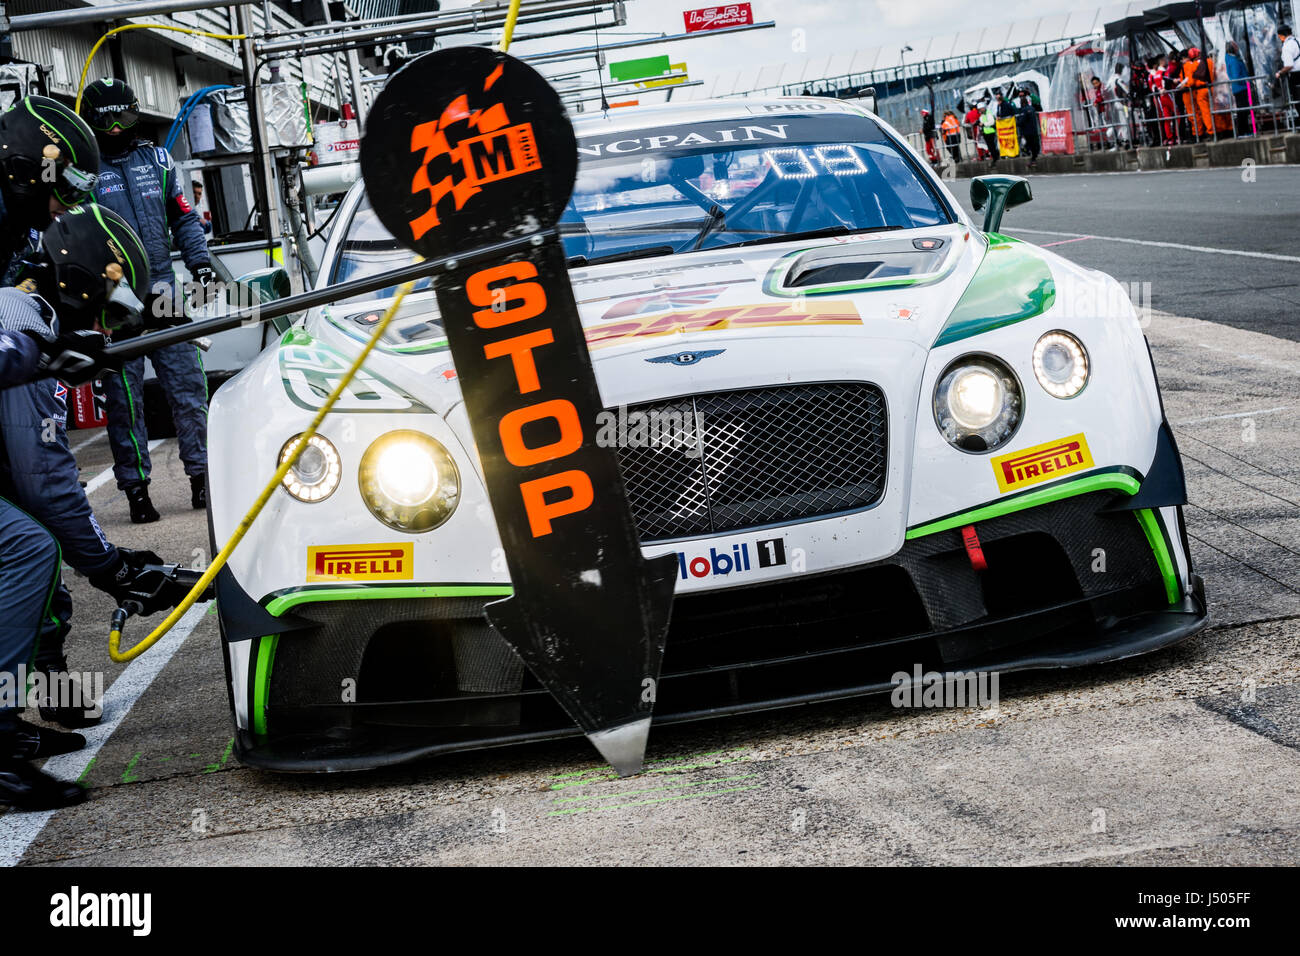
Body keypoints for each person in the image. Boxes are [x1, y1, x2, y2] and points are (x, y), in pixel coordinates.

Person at [79, 78, 212, 524]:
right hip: (114, 298)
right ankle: (136, 490)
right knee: (125, 399)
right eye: (108, 120)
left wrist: (201, 264)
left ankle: (202, 477)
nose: (119, 128)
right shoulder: (83, 171)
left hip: (163, 290)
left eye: (127, 117)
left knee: (189, 388)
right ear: (94, 123)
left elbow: (185, 218)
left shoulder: (158, 159)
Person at [1179, 47, 1215, 140]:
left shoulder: (1193, 65)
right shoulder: (1209, 61)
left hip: (1200, 91)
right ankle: (1219, 130)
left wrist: (1183, 85)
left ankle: (1210, 132)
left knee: (1205, 112)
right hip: (1212, 88)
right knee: (1214, 110)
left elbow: (1191, 82)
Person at [1224, 42, 1251, 137]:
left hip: (1239, 87)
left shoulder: (1231, 58)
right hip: (1240, 87)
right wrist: (1246, 81)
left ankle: (1244, 130)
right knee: (1243, 110)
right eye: (1235, 46)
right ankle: (1243, 131)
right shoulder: (1233, 60)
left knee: (1243, 109)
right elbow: (1236, 76)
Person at [1015, 88, 1041, 167]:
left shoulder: (1024, 110)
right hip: (1034, 130)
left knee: (1030, 146)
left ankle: (1033, 160)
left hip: (1027, 131)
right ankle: (1034, 159)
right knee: (1035, 145)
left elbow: (1022, 121)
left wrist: (1017, 123)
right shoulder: (1032, 108)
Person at [1278, 25, 1300, 113]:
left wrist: (1280, 72)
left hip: (1296, 76)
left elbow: (1289, 65)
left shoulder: (1287, 46)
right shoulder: (1298, 40)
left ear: (1282, 35)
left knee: (1298, 102)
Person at [979, 98, 1000, 166]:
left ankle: (995, 158)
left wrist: (983, 124)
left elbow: (991, 122)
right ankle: (995, 158)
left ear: (984, 108)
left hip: (990, 132)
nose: (980, 110)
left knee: (992, 146)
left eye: (981, 108)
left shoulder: (988, 113)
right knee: (990, 147)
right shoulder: (982, 115)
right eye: (979, 109)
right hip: (986, 132)